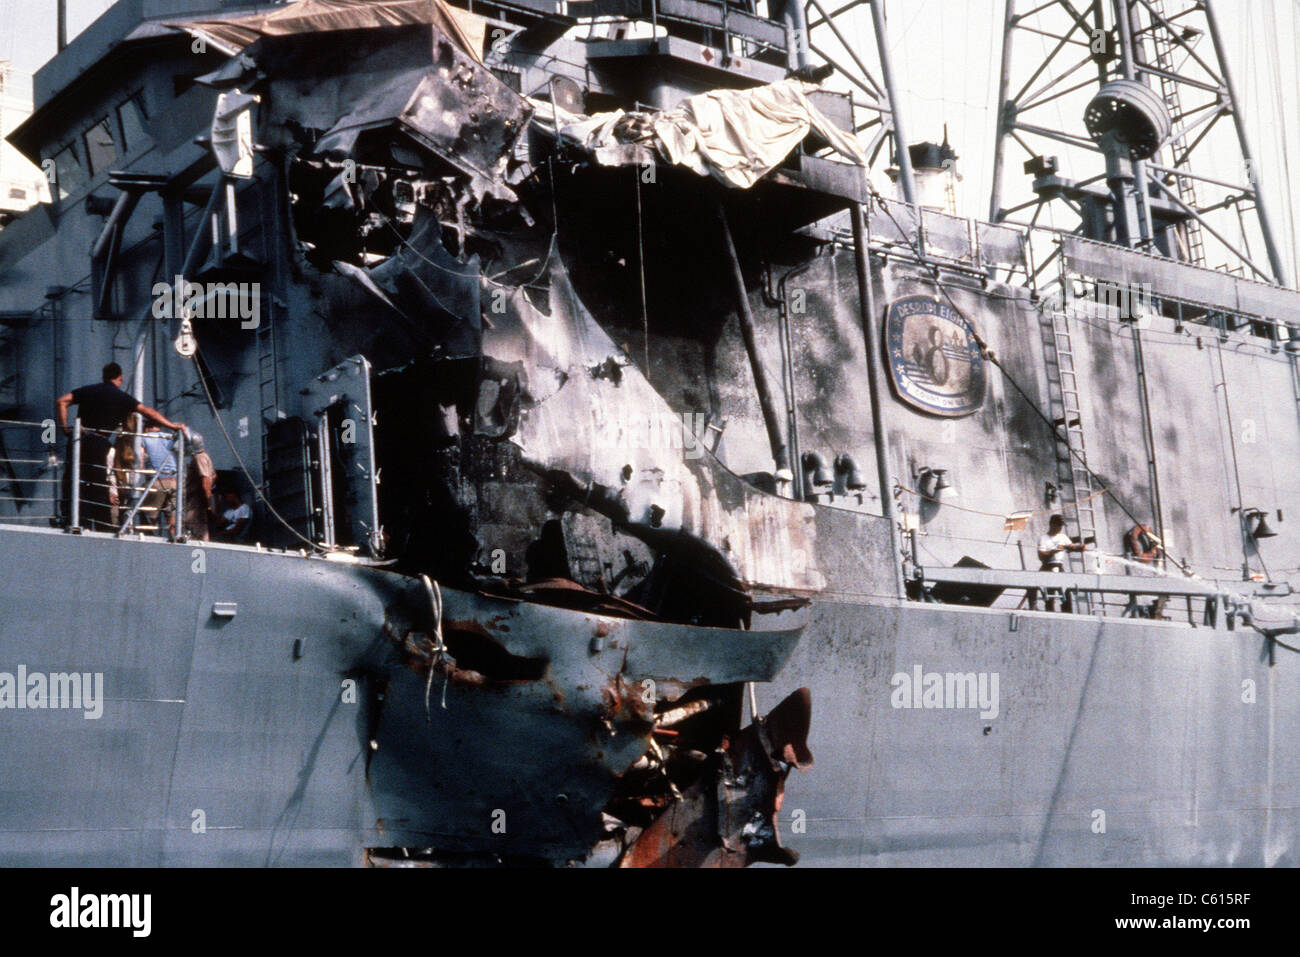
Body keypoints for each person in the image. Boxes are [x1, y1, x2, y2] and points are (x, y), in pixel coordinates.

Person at [56, 363, 184, 531]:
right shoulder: (121, 397)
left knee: (73, 480)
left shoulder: (88, 390)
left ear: (103, 376)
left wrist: (65, 428)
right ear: (119, 379)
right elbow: (148, 412)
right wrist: (173, 426)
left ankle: (71, 519)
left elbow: (61, 401)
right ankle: (102, 526)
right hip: (99, 443)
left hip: (77, 441)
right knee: (99, 483)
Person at [1037, 514, 1086, 611]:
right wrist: (1053, 551)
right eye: (1058, 525)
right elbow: (1041, 556)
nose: (1060, 528)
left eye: (1061, 525)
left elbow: (1071, 546)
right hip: (1047, 566)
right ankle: (1049, 612)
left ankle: (1067, 612)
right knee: (1049, 593)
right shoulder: (1043, 538)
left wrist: (1079, 547)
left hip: (1059, 566)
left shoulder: (1063, 537)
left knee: (1066, 592)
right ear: (1052, 525)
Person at [139, 422, 179, 537]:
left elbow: (140, 462)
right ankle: (174, 539)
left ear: (146, 428)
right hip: (174, 481)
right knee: (172, 517)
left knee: (144, 513)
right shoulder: (168, 437)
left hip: (157, 481)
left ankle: (148, 539)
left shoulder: (143, 438)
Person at [181, 431, 217, 542]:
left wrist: (208, 503)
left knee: (195, 531)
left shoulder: (199, 458)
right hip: (198, 499)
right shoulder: (205, 457)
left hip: (195, 501)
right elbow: (214, 476)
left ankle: (199, 556)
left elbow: (205, 479)